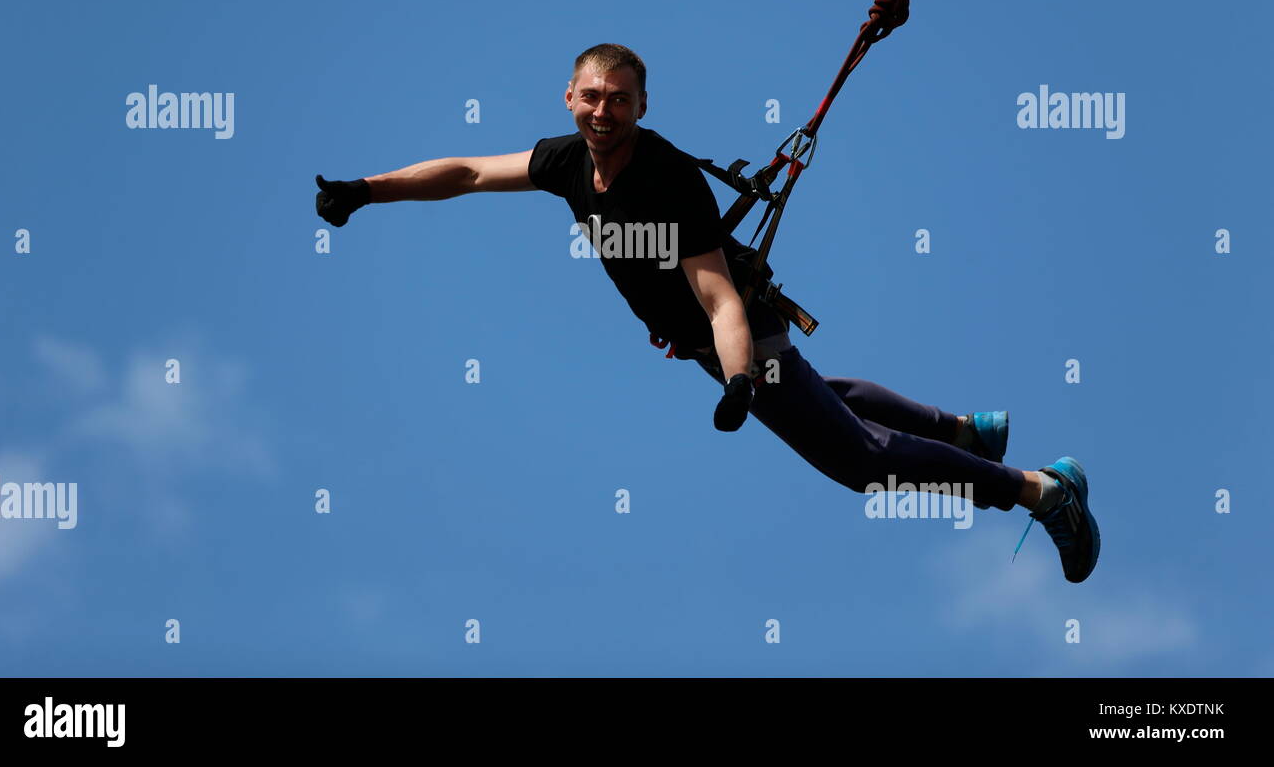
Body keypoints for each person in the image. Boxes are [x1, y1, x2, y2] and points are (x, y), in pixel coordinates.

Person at [315, 43, 1100, 583]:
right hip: (712, 347)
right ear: (569, 97)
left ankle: (1035, 490)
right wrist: (367, 190)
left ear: (642, 106)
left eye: (618, 101)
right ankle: (963, 430)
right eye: (590, 97)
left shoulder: (663, 183)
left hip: (737, 337)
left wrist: (735, 379)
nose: (601, 112)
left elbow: (718, 297)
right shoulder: (565, 160)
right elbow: (467, 171)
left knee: (860, 465)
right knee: (820, 396)